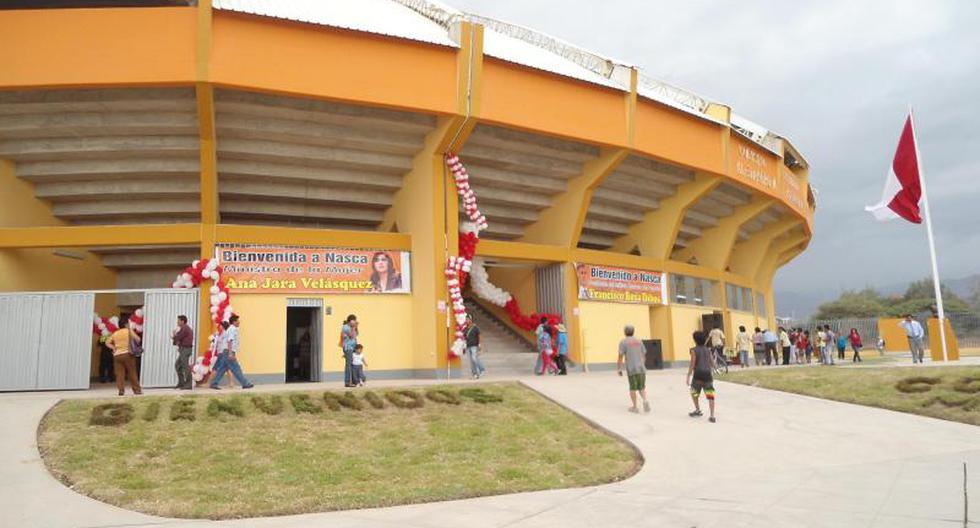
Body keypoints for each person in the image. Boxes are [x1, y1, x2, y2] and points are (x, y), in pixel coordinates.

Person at [209, 315, 254, 390]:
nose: (239, 322)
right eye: (238, 321)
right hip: (229, 351)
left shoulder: (231, 329)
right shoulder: (232, 329)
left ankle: (214, 383)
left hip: (226, 351)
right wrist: (230, 353)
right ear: (234, 322)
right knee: (236, 368)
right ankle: (245, 383)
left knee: (222, 369)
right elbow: (230, 340)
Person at [617, 324, 650, 414]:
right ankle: (645, 400)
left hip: (632, 369)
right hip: (641, 368)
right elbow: (644, 354)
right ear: (633, 331)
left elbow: (620, 356)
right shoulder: (639, 341)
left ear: (625, 332)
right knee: (642, 387)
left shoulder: (623, 342)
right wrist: (642, 364)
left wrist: (619, 369)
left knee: (632, 388)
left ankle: (635, 407)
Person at [106, 315, 142, 396]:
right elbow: (138, 339)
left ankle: (121, 390)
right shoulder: (128, 331)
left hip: (117, 355)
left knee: (119, 374)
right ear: (126, 324)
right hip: (127, 354)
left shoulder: (115, 333)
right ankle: (137, 390)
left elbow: (107, 342)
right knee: (132, 372)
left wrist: (114, 348)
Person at [686, 330, 717, 423]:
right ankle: (712, 416)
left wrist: (688, 376)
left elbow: (692, 364)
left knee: (694, 392)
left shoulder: (693, 350)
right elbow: (713, 364)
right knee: (710, 395)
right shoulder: (708, 350)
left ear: (695, 340)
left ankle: (698, 409)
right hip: (707, 375)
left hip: (698, 374)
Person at [171, 315, 194, 390]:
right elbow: (178, 339)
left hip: (186, 349)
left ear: (182, 321)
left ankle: (188, 384)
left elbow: (178, 337)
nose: (177, 322)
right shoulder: (183, 328)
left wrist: (174, 336)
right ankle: (181, 383)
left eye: (178, 321)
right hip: (183, 349)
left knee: (185, 366)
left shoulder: (185, 328)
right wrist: (176, 339)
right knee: (178, 365)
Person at [463, 315, 485, 379]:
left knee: (474, 358)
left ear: (471, 320)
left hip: (474, 346)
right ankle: (475, 374)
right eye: (466, 319)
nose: (466, 320)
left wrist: (479, 344)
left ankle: (482, 369)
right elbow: (464, 338)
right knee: (471, 362)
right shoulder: (465, 329)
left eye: (468, 319)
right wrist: (464, 346)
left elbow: (479, 336)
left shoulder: (475, 328)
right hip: (468, 346)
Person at [341, 314, 359, 386]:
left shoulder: (352, 327)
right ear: (350, 320)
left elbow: (356, 334)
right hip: (348, 348)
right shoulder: (345, 327)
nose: (355, 321)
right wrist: (353, 327)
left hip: (353, 347)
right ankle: (347, 382)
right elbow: (351, 336)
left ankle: (354, 381)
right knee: (348, 365)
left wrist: (356, 327)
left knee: (353, 364)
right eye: (353, 320)